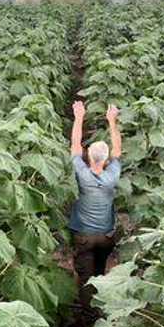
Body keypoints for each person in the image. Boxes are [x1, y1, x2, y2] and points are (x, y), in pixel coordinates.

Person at [69, 100, 122, 308]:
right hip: (106, 236)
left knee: (85, 278)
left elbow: (74, 146)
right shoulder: (112, 176)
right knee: (99, 272)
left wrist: (79, 117)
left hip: (84, 236)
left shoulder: (82, 174)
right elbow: (117, 148)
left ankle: (87, 315)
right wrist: (112, 121)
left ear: (87, 156)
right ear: (107, 159)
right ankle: (99, 304)